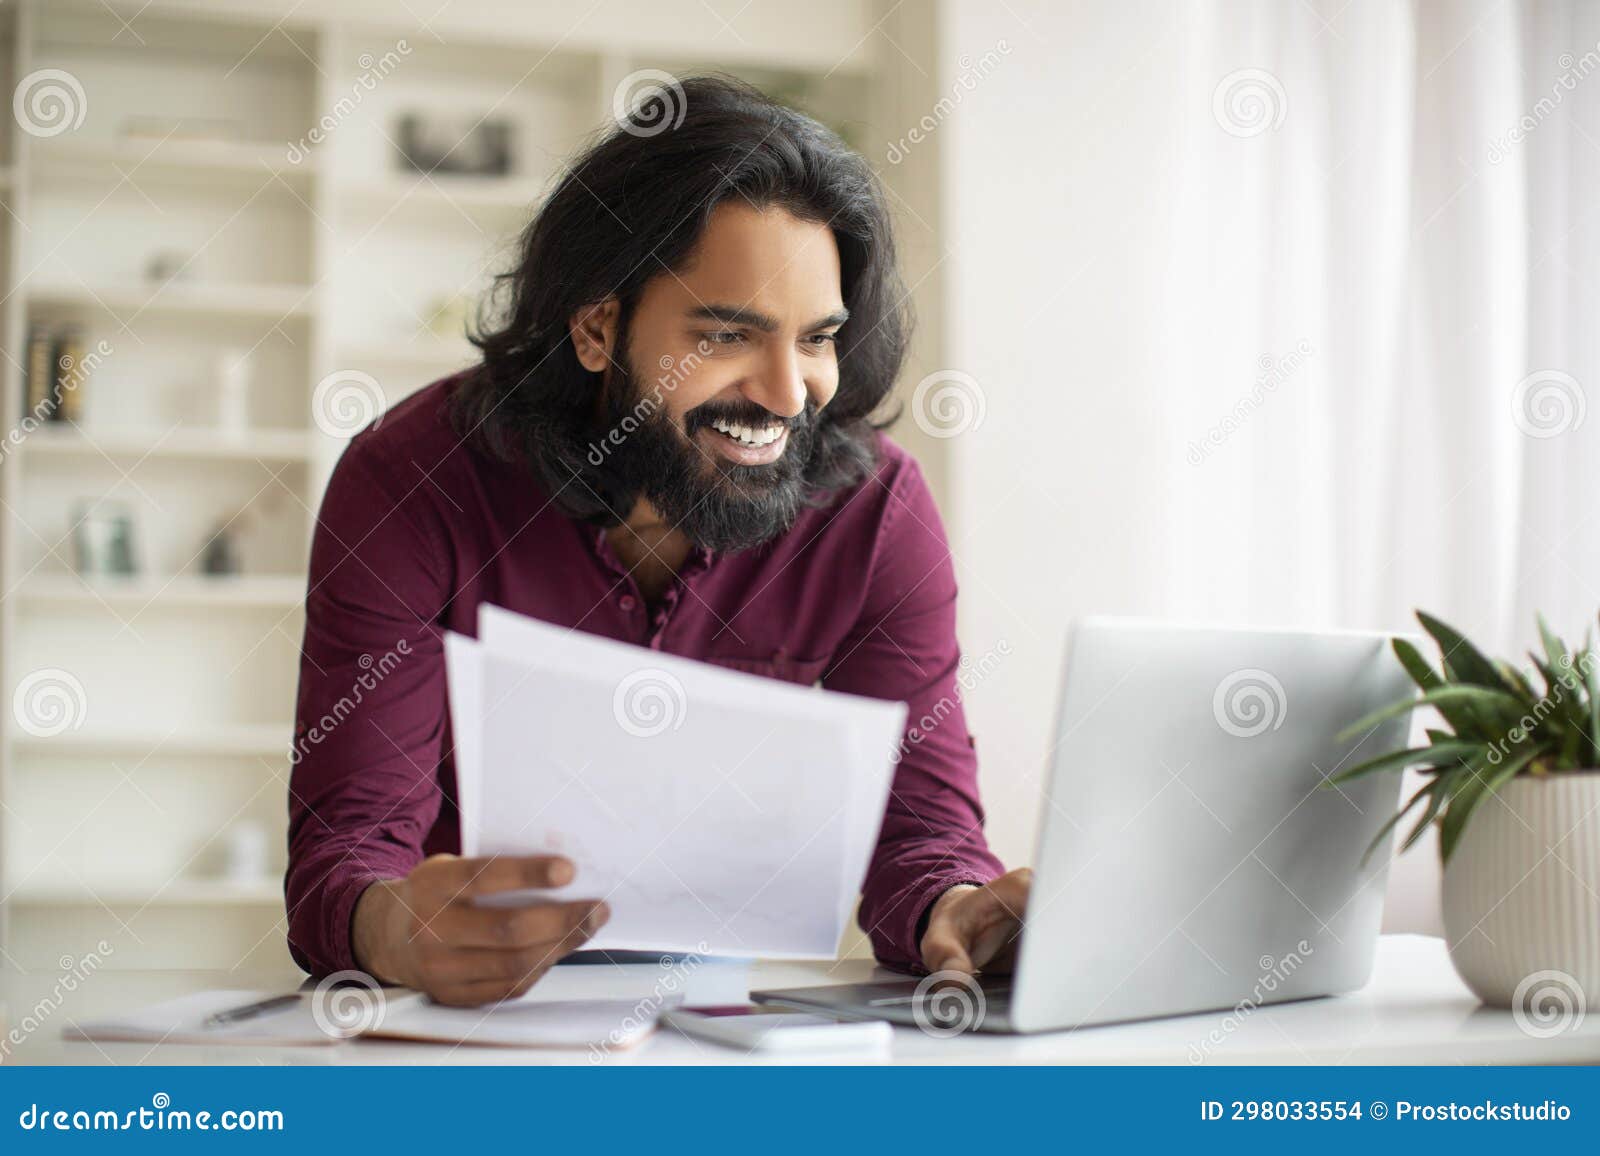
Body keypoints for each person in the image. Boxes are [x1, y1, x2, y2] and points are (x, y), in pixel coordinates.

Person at [286, 76, 1030, 1007]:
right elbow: (346, 851)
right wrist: (398, 930)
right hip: (462, 1019)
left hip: (718, 1017)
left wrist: (958, 909)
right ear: (600, 327)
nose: (790, 393)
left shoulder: (874, 514)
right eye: (728, 334)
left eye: (817, 339)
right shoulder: (412, 479)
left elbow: (922, 833)